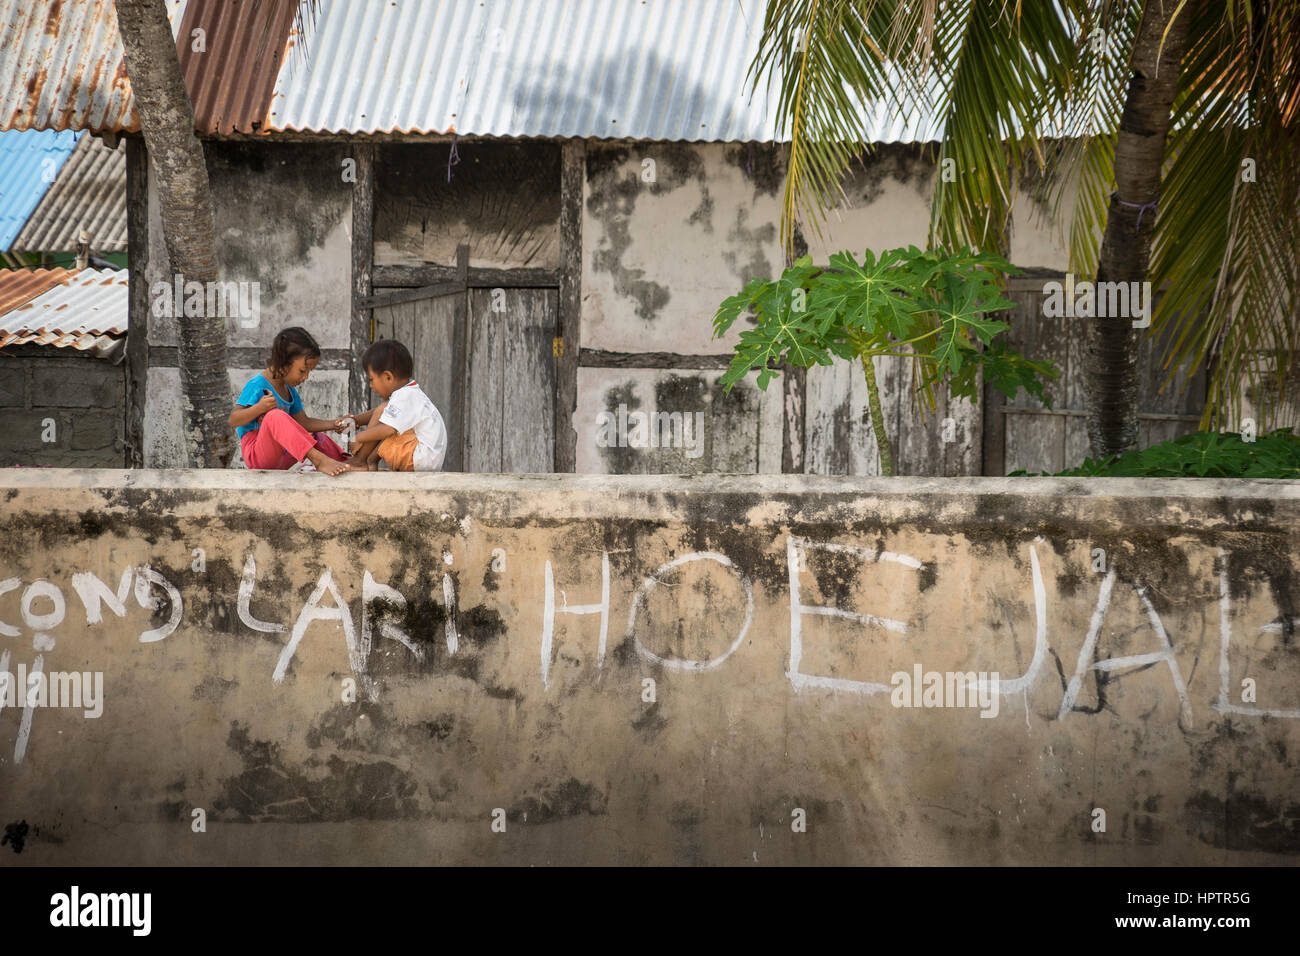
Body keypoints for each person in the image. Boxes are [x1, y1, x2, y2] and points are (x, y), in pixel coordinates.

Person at [228, 327, 353, 476]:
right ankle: (320, 461)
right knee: (275, 416)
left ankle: (349, 465)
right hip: (257, 456)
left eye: (308, 372)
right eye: (302, 370)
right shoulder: (257, 386)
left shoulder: (289, 391)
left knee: (316, 436)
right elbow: (233, 420)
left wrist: (333, 424)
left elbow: (303, 422)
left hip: (284, 453)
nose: (305, 377)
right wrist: (259, 408)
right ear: (284, 362)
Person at [344, 339, 447, 472]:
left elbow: (387, 429)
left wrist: (358, 437)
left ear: (388, 377)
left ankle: (360, 461)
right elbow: (379, 415)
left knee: (383, 414)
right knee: (385, 414)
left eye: (371, 379)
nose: (371, 386)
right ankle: (370, 463)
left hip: (417, 459)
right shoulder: (411, 393)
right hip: (425, 460)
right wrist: (356, 420)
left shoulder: (404, 396)